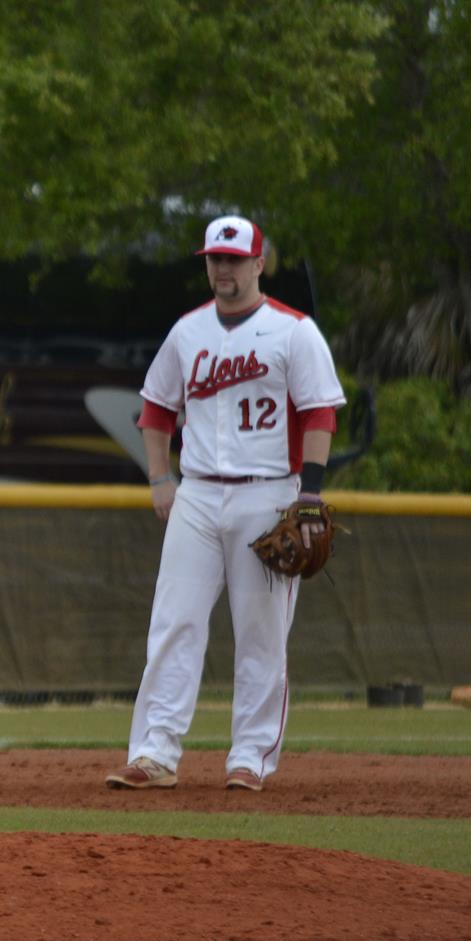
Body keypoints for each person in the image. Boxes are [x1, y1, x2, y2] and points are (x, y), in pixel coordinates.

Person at [107, 215, 345, 794]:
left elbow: (319, 413)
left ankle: (250, 757)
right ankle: (154, 753)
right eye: (215, 259)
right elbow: (156, 409)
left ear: (259, 264)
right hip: (197, 491)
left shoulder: (294, 331)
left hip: (268, 493)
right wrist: (160, 477)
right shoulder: (187, 332)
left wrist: (310, 492)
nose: (223, 269)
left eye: (235, 260)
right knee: (174, 623)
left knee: (261, 633)